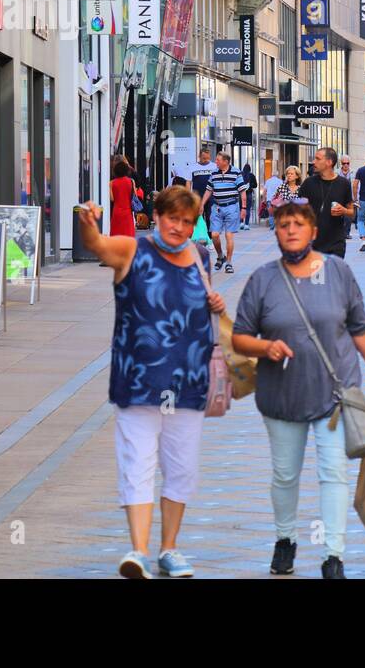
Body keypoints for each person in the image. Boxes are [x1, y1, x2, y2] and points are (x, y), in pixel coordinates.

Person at [232, 202, 365, 581]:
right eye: (283, 225)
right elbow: (240, 337)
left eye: (298, 224)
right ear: (275, 232)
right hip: (282, 394)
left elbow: (361, 330)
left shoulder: (338, 273)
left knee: (333, 473)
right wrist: (265, 348)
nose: (290, 230)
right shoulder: (263, 279)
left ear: (313, 232)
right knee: (285, 475)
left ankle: (333, 555)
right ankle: (285, 539)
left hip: (334, 395)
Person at [77, 186, 226, 579]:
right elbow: (96, 245)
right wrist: (88, 225)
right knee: (137, 464)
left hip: (188, 381)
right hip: (138, 381)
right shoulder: (132, 250)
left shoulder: (198, 256)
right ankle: (139, 551)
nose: (178, 227)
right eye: (172, 218)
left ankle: (169, 549)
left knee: (181, 468)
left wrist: (216, 303)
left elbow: (201, 304)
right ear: (156, 216)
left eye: (187, 221)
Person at [299, 147, 355, 259]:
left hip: (336, 242)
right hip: (312, 242)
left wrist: (343, 210)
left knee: (333, 276)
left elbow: (352, 212)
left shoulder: (344, 184)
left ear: (329, 162)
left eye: (317, 159)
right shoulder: (308, 183)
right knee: (317, 276)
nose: (313, 162)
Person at [199, 152, 247, 274]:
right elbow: (208, 190)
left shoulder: (236, 172)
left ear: (226, 161)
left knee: (228, 235)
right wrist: (202, 204)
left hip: (232, 207)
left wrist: (244, 208)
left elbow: (242, 191)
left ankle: (229, 263)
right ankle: (221, 256)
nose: (216, 162)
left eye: (218, 160)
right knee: (214, 235)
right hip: (217, 207)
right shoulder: (214, 173)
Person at [189, 148, 219, 230]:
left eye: (207, 158)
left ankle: (210, 238)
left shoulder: (214, 167)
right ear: (199, 156)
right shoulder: (193, 167)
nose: (206, 160)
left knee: (210, 217)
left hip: (211, 197)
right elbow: (189, 182)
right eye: (204, 158)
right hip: (197, 197)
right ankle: (199, 236)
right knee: (198, 218)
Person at [109, 159, 138, 238]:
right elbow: (134, 195)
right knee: (128, 233)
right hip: (127, 212)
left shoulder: (111, 183)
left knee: (116, 233)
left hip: (117, 212)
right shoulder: (131, 181)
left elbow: (112, 199)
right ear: (126, 171)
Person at [337, 155, 353, 238]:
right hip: (339, 196)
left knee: (348, 216)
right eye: (344, 163)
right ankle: (340, 232)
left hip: (349, 197)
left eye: (347, 163)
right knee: (339, 215)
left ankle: (347, 233)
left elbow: (357, 186)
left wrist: (356, 198)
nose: (346, 165)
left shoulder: (353, 173)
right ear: (341, 164)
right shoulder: (337, 173)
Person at [240, 162, 258, 229]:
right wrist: (250, 186)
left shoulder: (240, 175)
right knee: (247, 209)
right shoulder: (252, 175)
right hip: (249, 194)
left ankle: (241, 222)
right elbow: (255, 185)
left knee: (241, 208)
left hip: (241, 194)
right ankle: (246, 224)